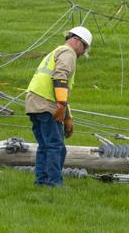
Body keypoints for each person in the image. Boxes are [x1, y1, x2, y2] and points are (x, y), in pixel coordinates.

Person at [25, 26, 92, 186]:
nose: (83, 53)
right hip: (46, 103)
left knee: (45, 146)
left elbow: (61, 88)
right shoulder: (68, 53)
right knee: (56, 147)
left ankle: (41, 182)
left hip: (34, 102)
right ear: (76, 41)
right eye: (84, 48)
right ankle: (53, 183)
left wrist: (68, 117)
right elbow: (60, 78)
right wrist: (61, 105)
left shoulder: (56, 51)